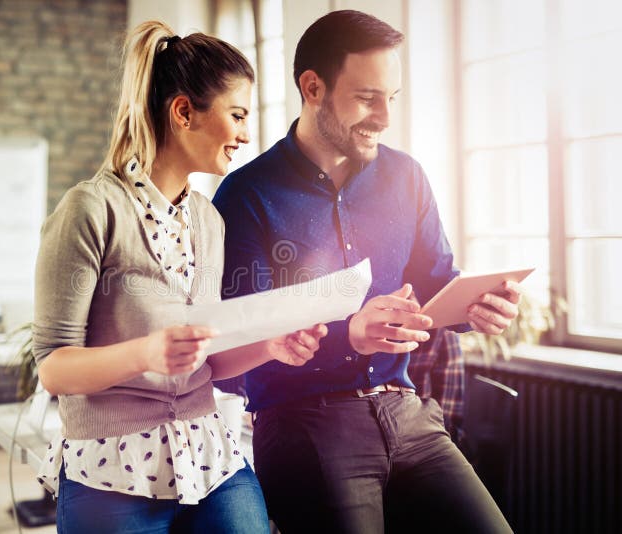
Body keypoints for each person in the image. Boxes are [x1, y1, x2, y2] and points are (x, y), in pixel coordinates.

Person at [213, 10, 520, 534]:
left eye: (391, 98)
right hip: (303, 421)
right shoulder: (246, 196)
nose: (384, 116)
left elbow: (437, 283)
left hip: (409, 414)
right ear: (313, 87)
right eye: (367, 98)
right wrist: (347, 335)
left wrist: (477, 307)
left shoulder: (407, 177)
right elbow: (233, 355)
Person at [31, 21, 327, 533]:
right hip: (111, 467)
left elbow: (207, 358)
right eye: (237, 115)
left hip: (207, 455)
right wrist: (145, 354)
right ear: (184, 112)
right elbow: (54, 368)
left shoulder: (208, 220)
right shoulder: (90, 209)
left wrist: (271, 346)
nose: (245, 134)